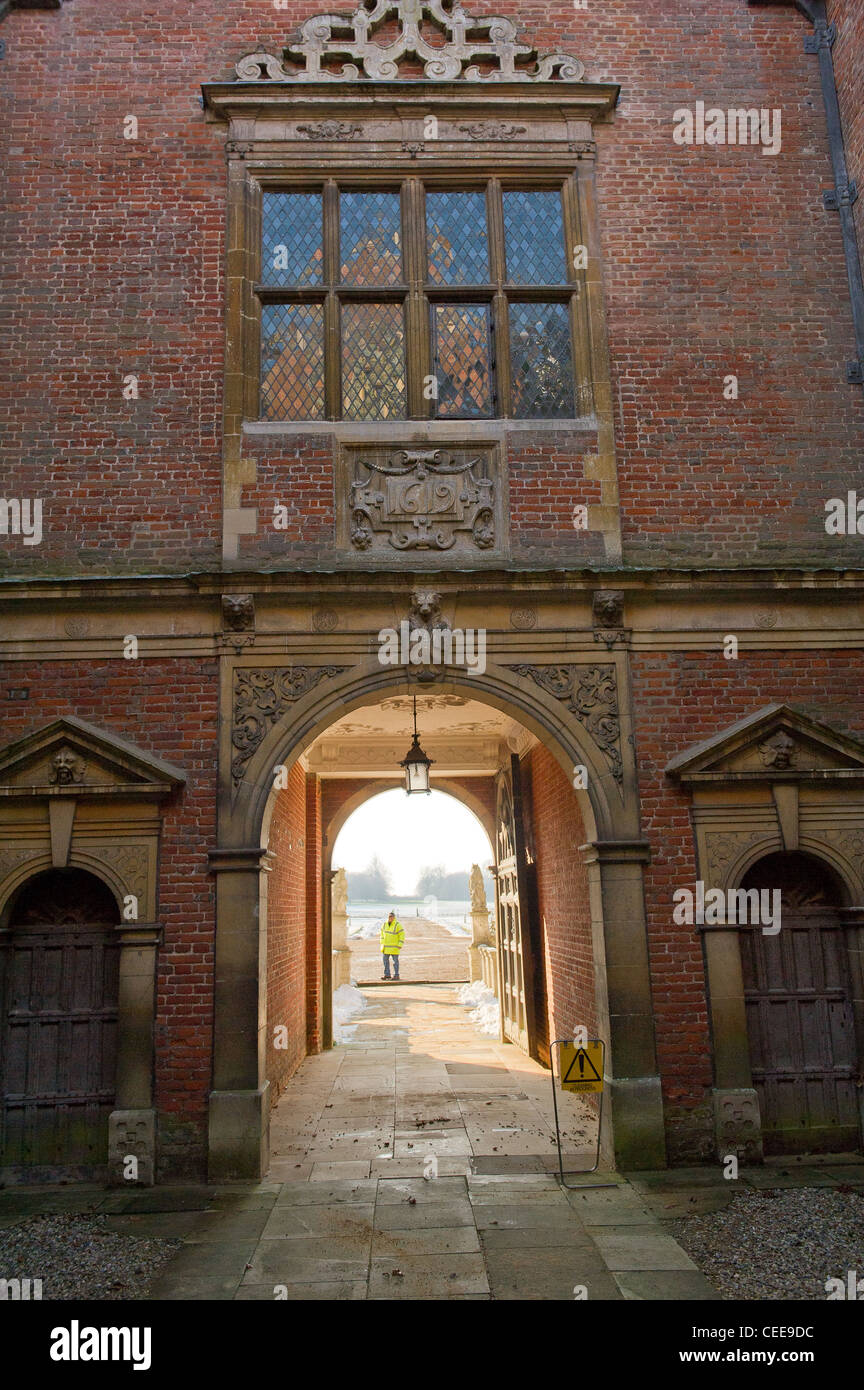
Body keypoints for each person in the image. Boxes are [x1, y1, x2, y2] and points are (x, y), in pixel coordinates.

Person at [380, 910, 404, 981]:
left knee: (395, 962)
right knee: (385, 961)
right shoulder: (384, 924)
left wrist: (400, 944)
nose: (390, 918)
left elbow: (402, 935)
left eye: (392, 916)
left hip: (394, 948)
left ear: (394, 917)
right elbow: (381, 934)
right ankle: (387, 975)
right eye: (389, 916)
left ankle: (396, 975)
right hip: (386, 947)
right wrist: (382, 943)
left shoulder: (398, 925)